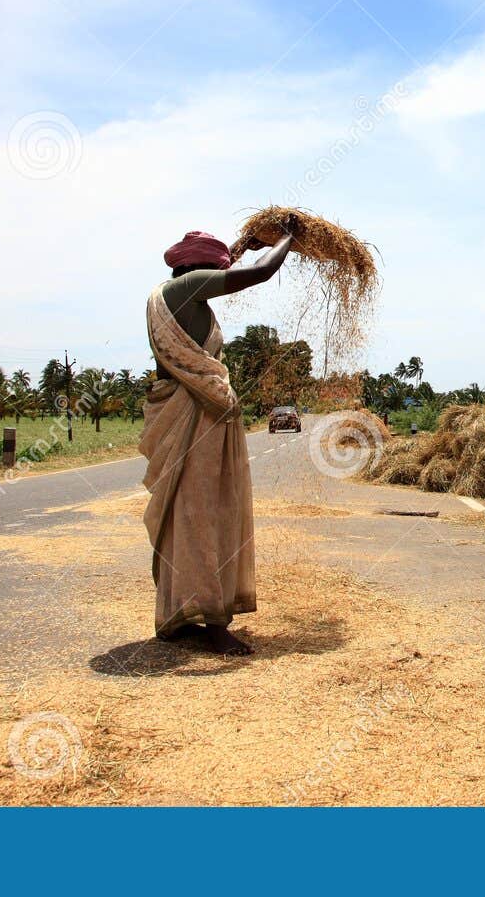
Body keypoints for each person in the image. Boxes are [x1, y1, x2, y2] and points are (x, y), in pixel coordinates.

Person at [139, 227, 293, 655]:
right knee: (206, 514)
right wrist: (290, 237)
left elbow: (238, 265)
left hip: (192, 414)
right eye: (216, 268)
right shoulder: (187, 287)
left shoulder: (177, 292)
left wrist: (246, 243)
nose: (220, 277)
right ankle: (213, 621)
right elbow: (260, 273)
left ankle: (181, 612)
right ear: (193, 268)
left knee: (188, 516)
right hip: (194, 416)